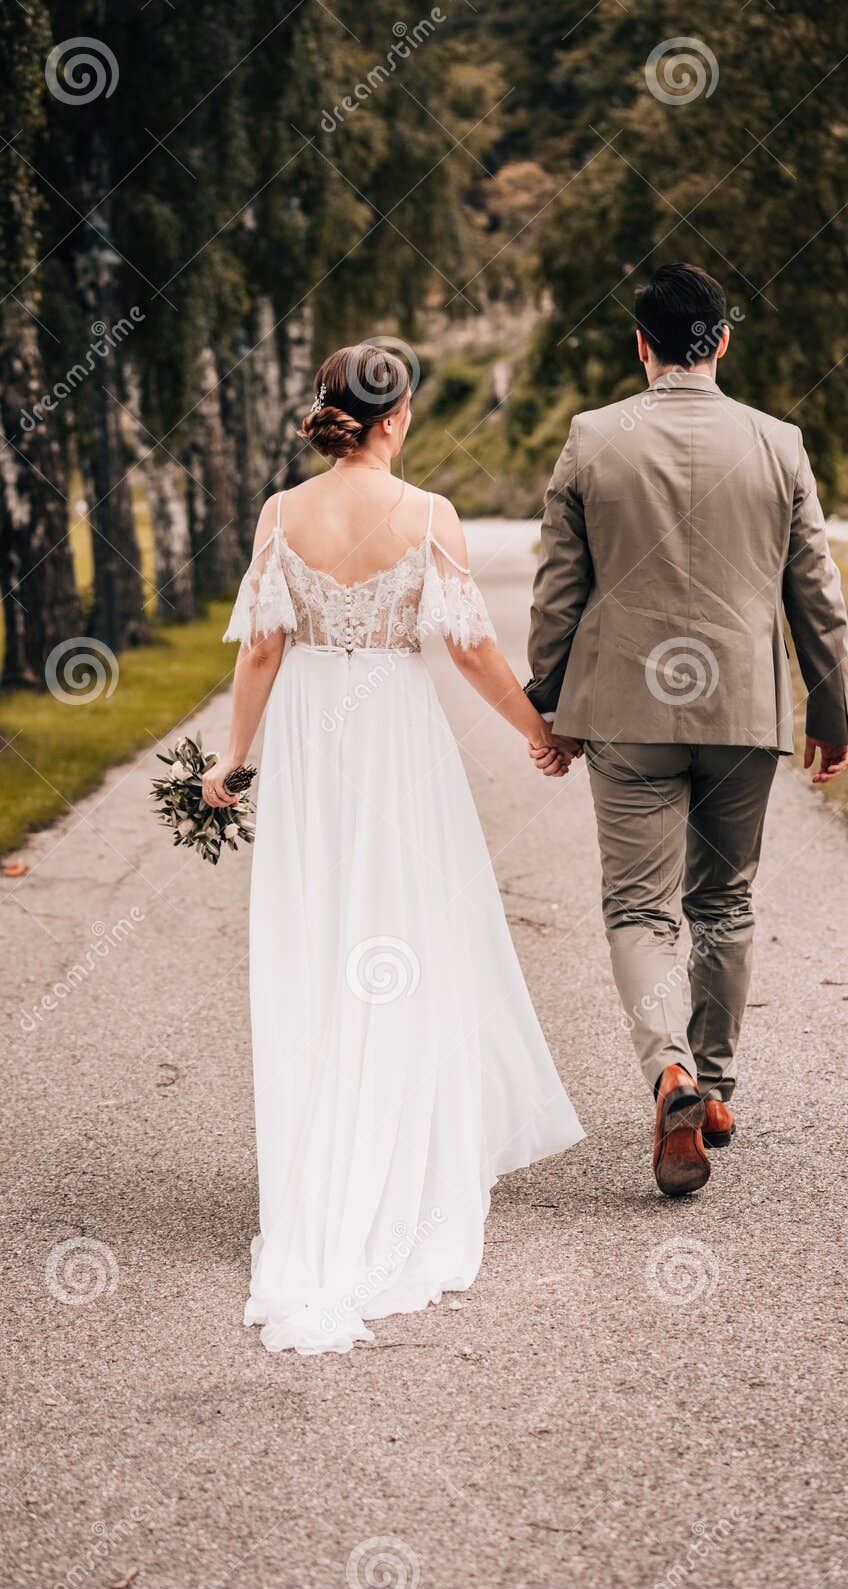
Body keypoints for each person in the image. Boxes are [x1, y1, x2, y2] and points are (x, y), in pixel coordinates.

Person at [203, 344, 583, 1354]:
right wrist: (536, 731)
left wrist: (232, 760)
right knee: (407, 933)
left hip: (315, 737)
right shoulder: (428, 515)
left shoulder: (282, 513)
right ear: (395, 415)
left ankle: (321, 1159)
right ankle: (402, 1153)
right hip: (396, 736)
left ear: (333, 412)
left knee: (320, 938)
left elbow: (262, 647)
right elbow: (468, 648)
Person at [525, 262, 848, 1197]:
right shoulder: (779, 442)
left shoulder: (593, 439)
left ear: (643, 345)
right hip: (744, 710)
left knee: (639, 908)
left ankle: (668, 1069)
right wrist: (829, 711)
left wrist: (547, 697)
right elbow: (816, 595)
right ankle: (713, 1090)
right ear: (722, 341)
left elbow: (559, 589)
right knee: (723, 901)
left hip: (626, 709)